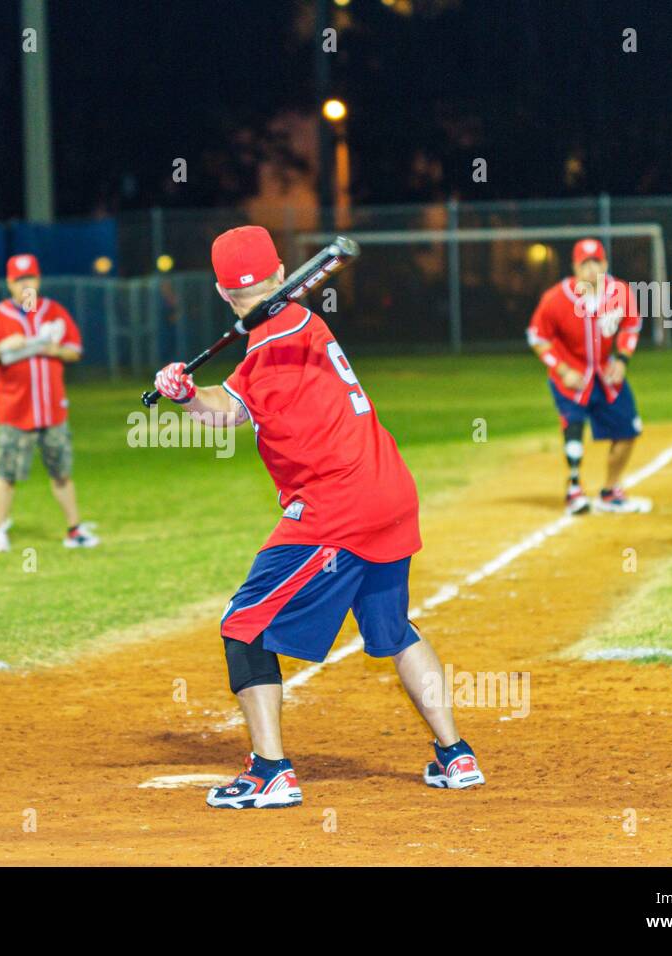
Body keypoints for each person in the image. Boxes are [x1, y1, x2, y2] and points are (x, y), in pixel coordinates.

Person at [151, 226, 485, 810]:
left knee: (243, 624)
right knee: (393, 630)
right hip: (389, 490)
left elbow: (233, 409)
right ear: (280, 274)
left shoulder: (271, 342)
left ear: (220, 291)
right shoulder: (300, 326)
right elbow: (233, 407)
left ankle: (269, 771)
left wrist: (190, 397)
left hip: (337, 507)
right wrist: (186, 395)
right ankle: (456, 755)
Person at [0, 253, 98, 552]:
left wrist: (52, 348)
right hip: (15, 411)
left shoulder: (53, 311)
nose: (25, 285)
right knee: (6, 474)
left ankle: (74, 529)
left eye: (29, 278)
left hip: (53, 409)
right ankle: (0, 531)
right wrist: (5, 345)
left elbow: (75, 350)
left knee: (61, 472)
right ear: (9, 283)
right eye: (19, 280)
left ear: (38, 280)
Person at [527, 238, 651, 514]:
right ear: (575, 267)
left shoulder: (619, 292)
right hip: (571, 374)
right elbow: (537, 337)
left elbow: (632, 325)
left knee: (629, 429)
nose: (592, 269)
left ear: (605, 264)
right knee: (573, 427)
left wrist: (622, 358)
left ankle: (610, 491)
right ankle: (574, 490)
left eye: (597, 262)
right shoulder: (557, 298)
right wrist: (561, 369)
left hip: (605, 374)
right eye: (585, 264)